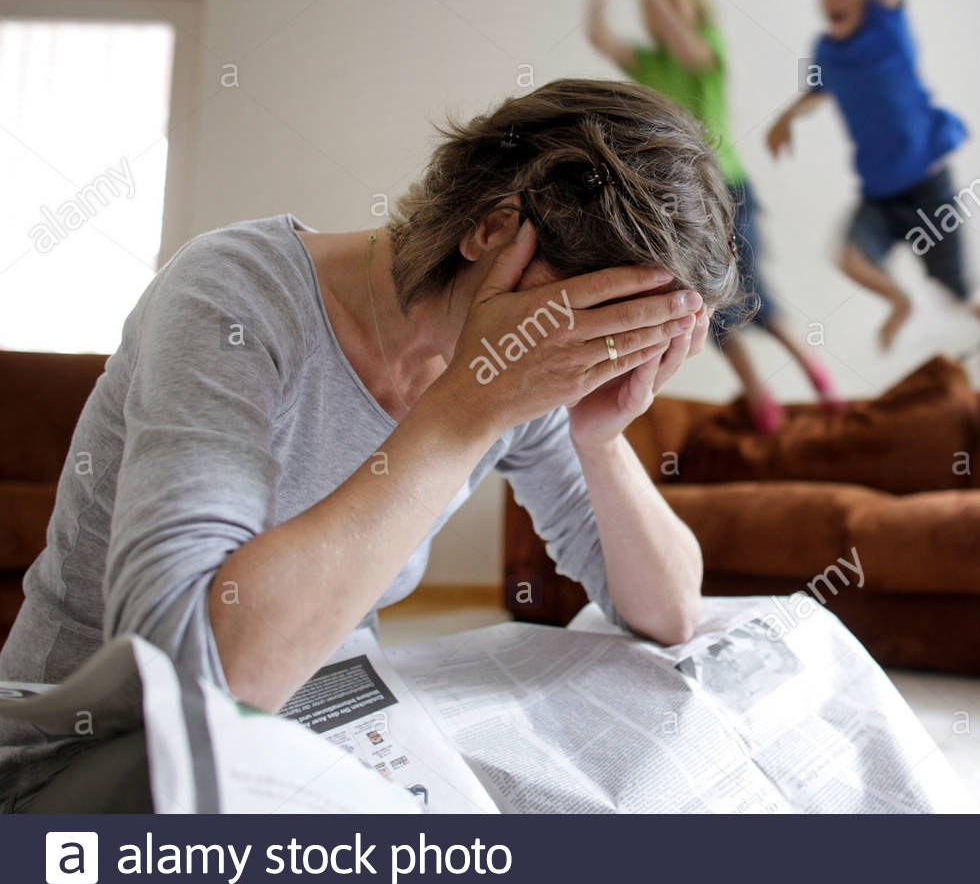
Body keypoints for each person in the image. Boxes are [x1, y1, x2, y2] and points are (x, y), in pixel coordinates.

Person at [0, 78, 740, 812]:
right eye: (598, 324)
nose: (599, 358)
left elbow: (670, 612)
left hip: (311, 734)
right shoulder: (233, 294)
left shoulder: (525, 366)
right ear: (491, 228)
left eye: (632, 342)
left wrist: (601, 437)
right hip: (94, 752)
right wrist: (461, 417)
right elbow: (195, 676)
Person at [583, 0, 844, 434]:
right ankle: (759, 397)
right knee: (709, 306)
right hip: (682, 202)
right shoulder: (651, 62)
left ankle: (816, 372)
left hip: (727, 192)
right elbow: (597, 33)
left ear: (694, 9)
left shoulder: (706, 50)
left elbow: (685, 41)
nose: (660, 11)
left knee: (756, 297)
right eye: (655, 4)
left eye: (671, 1)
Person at [767, 0, 980, 364]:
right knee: (849, 257)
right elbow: (820, 91)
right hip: (879, 197)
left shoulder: (887, 27)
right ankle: (899, 302)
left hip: (928, 185)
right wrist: (787, 116)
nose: (834, 0)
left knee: (961, 290)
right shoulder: (827, 50)